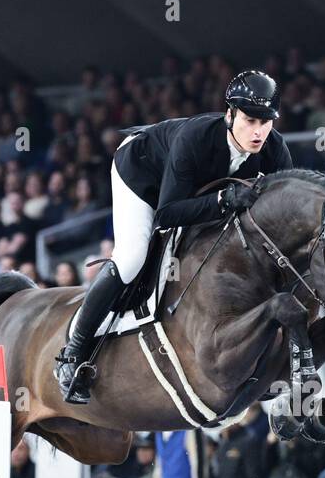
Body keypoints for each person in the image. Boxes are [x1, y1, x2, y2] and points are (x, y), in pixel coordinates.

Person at [55, 71, 293, 402]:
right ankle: (73, 353)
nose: (258, 131)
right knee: (133, 257)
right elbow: (167, 214)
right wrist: (223, 201)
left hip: (189, 191)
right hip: (142, 174)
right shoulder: (196, 139)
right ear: (230, 114)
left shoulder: (276, 151)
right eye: (250, 120)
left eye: (266, 122)